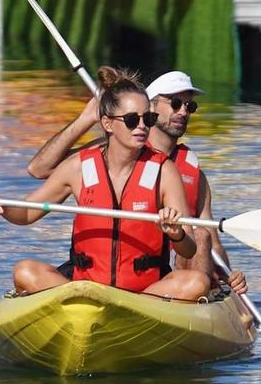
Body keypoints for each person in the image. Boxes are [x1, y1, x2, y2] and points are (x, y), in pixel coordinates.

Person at [0, 69, 212, 301]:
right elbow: (27, 212)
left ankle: (122, 308)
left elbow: (189, 249)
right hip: (85, 288)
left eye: (147, 119)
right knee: (25, 270)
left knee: (197, 283)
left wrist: (177, 234)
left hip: (144, 295)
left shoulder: (164, 170)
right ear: (108, 124)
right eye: (131, 120)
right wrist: (0, 206)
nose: (142, 127)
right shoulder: (79, 167)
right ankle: (82, 302)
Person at [25, 68, 247, 297]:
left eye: (189, 107)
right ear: (149, 106)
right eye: (175, 103)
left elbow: (212, 241)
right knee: (27, 272)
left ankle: (195, 304)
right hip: (103, 269)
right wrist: (87, 118)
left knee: (200, 235)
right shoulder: (110, 148)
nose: (183, 111)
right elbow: (39, 169)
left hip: (167, 275)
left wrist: (229, 279)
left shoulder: (193, 175)